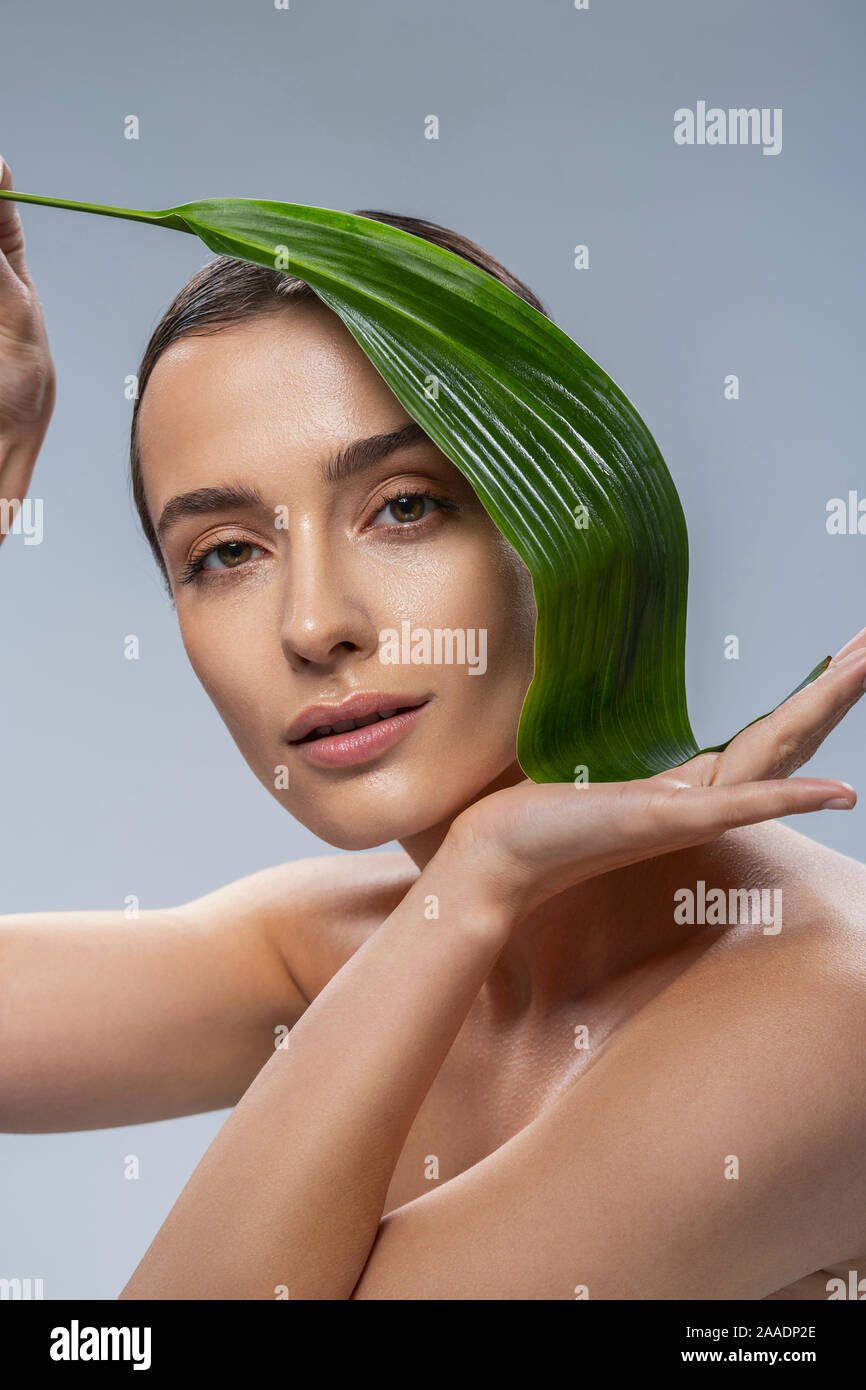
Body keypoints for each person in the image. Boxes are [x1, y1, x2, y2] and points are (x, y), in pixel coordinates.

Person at [2, 152, 865, 1302]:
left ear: (575, 520)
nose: (315, 624)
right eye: (224, 553)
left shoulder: (818, 1013)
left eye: (404, 505)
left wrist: (469, 886)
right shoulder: (353, 949)